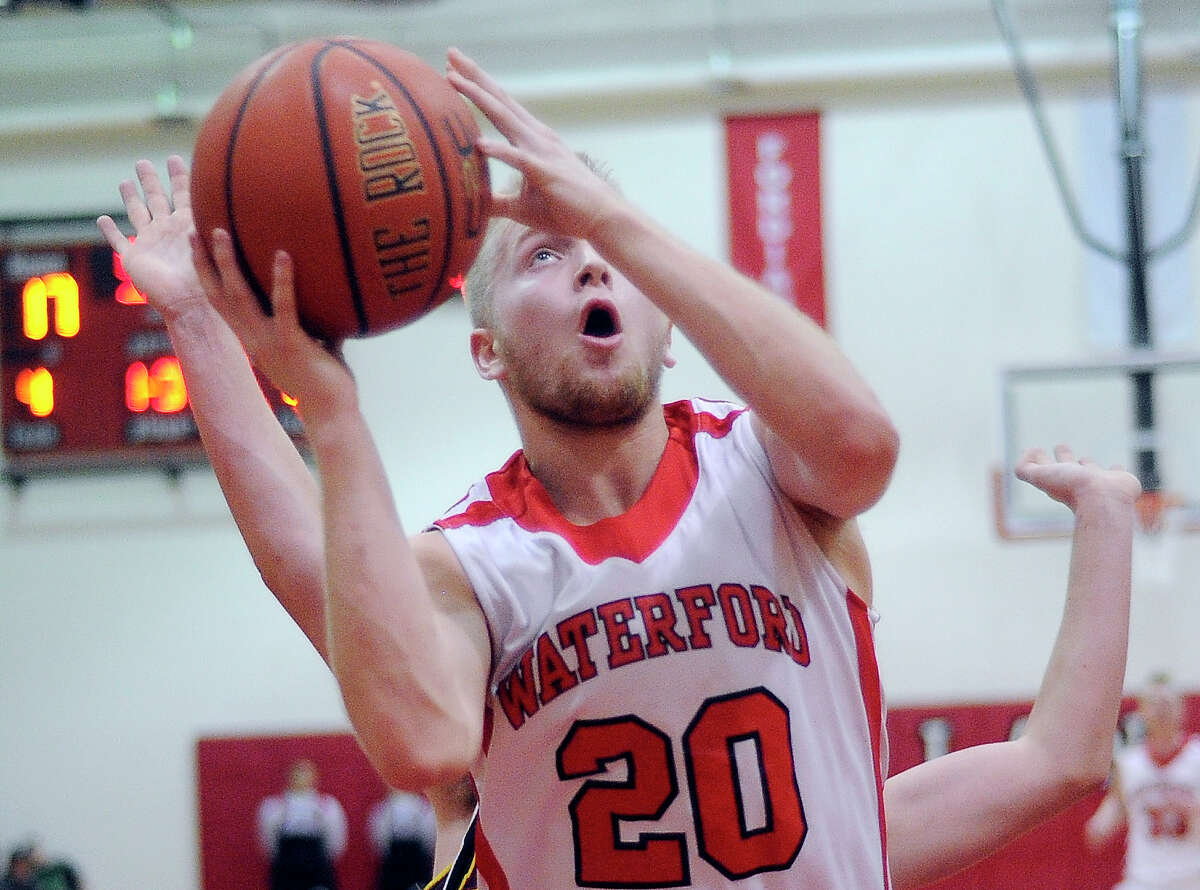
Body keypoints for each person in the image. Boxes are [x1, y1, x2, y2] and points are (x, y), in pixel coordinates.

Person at [99, 47, 1142, 889]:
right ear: (485, 347)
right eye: (540, 255)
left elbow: (862, 444)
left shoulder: (769, 472)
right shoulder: (469, 563)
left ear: (666, 316)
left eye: (602, 250)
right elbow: (402, 707)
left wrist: (609, 216)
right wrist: (231, 343)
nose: (586, 258)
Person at [1085, 674, 1200, 889]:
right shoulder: (1128, 763)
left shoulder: (1197, 755)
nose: (1161, 710)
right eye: (1154, 704)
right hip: (1144, 879)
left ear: (1182, 709)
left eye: (1167, 703)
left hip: (1193, 876)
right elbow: (1116, 805)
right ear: (1141, 711)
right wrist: (1100, 824)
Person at [256, 759, 347, 890]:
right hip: (285, 867)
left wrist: (321, 860)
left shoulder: (328, 805)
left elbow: (336, 840)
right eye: (297, 773)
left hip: (318, 867)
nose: (301, 777)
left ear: (315, 777)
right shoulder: (272, 805)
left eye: (306, 773)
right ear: (288, 777)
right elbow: (268, 841)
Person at [368, 789, 436, 890]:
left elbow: (429, 838)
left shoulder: (422, 808)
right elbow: (379, 840)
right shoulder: (385, 809)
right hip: (392, 869)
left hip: (417, 868)